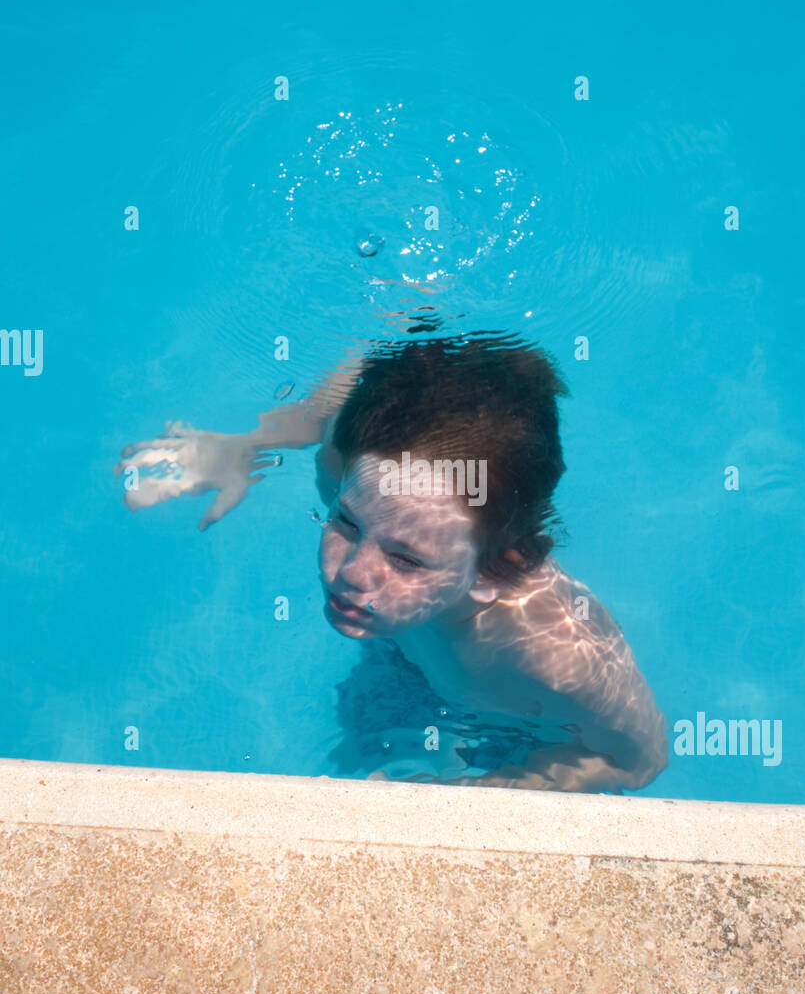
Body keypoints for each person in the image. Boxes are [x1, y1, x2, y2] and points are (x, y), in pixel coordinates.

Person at [116, 334, 667, 793]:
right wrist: (242, 445)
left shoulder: (547, 653)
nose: (352, 572)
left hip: (492, 723)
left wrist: (477, 795)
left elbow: (639, 759)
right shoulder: (351, 470)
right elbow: (332, 408)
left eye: (406, 559)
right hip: (408, 648)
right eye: (346, 523)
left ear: (495, 573)